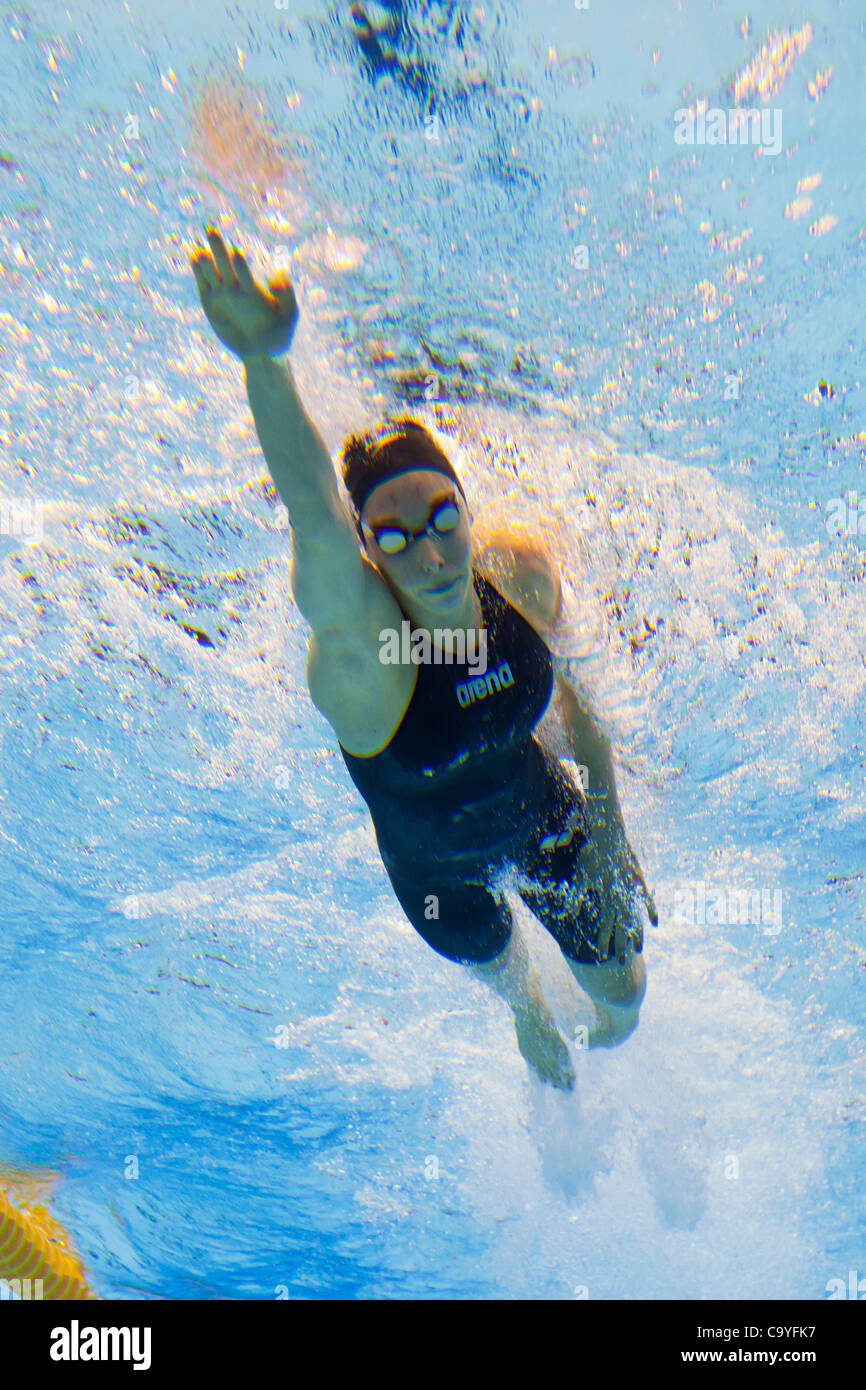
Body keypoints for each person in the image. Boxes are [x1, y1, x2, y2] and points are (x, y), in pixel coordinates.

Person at [189, 227, 656, 1091]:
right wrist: (261, 361)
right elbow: (314, 515)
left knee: (624, 1008)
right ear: (369, 552)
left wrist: (609, 833)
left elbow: (579, 704)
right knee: (516, 983)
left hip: (542, 816)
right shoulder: (367, 660)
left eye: (443, 517)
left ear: (467, 509)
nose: (432, 553)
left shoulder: (518, 577)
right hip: (440, 880)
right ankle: (525, 1006)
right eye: (395, 537)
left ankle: (578, 1012)